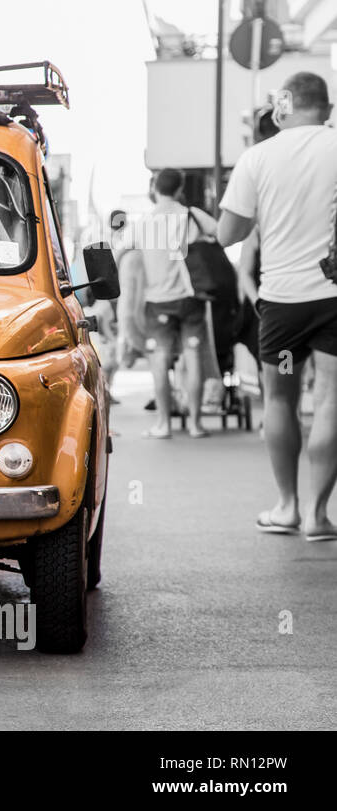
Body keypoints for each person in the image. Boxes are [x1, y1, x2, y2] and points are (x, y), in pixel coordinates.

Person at [219, 71, 337, 542]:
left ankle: (286, 507)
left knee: (282, 399)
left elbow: (228, 234)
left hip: (282, 306)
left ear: (284, 108)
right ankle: (319, 516)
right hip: (333, 300)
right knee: (330, 398)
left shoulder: (258, 158)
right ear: (326, 109)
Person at [135, 169, 218, 439]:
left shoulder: (144, 222)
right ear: (180, 189)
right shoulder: (190, 215)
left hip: (158, 302)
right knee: (193, 358)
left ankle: (163, 424)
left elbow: (119, 251)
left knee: (159, 361)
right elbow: (220, 234)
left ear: (155, 189)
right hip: (190, 297)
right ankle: (195, 424)